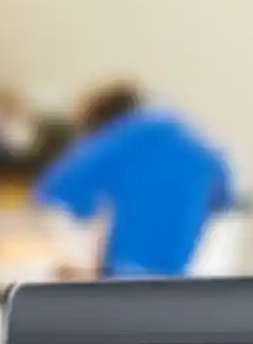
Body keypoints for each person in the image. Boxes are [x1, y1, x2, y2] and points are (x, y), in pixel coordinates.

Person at [33, 81, 234, 278]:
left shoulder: (118, 140)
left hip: (123, 275)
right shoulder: (198, 145)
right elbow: (226, 199)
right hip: (178, 280)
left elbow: (55, 191)